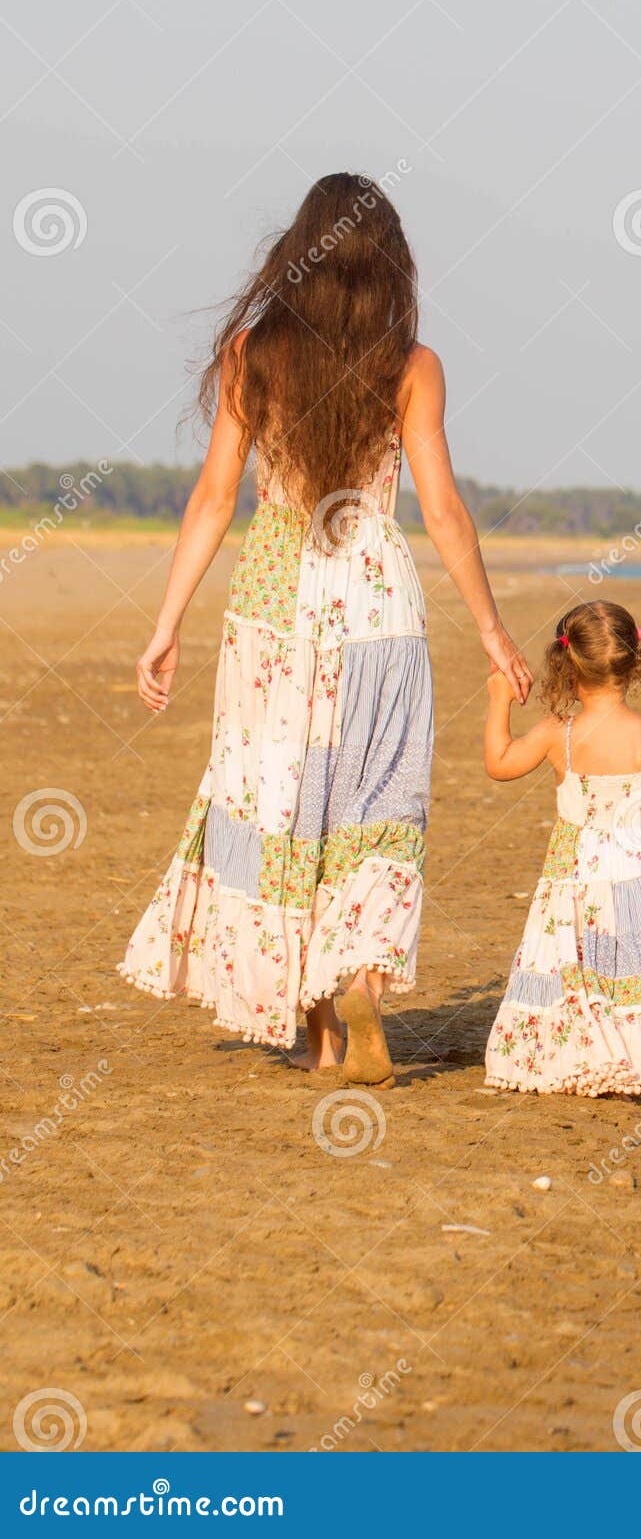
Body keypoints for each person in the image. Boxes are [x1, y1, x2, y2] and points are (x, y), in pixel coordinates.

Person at [121, 172, 531, 1087]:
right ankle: (361, 985)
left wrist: (166, 623)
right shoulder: (412, 365)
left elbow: (213, 499)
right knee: (373, 801)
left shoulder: (251, 353)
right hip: (377, 598)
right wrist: (495, 634)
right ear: (391, 265)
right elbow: (448, 511)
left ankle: (317, 1038)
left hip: (274, 600)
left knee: (278, 800)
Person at [483, 600, 641, 1096]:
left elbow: (498, 762)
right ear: (634, 662)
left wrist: (499, 697)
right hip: (631, 879)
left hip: (572, 879)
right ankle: (635, 1061)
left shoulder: (556, 734)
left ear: (565, 666)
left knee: (571, 964)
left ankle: (567, 1055)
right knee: (629, 966)